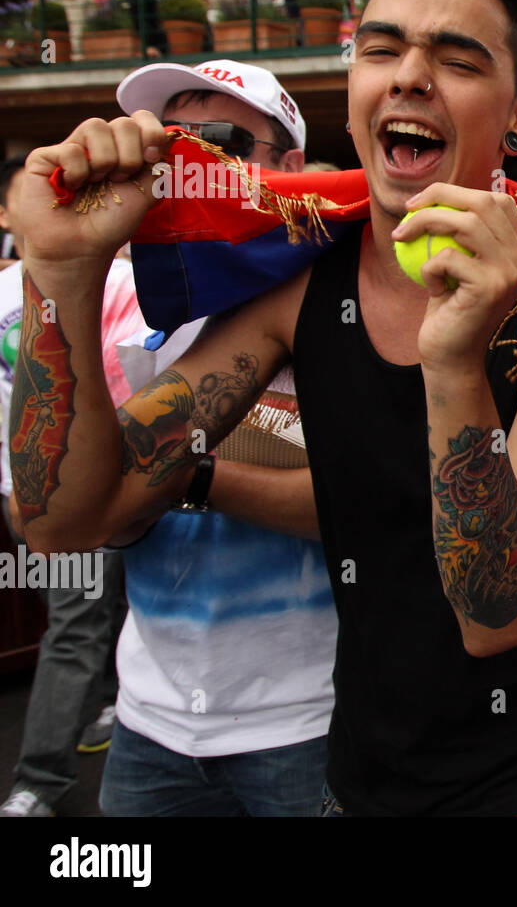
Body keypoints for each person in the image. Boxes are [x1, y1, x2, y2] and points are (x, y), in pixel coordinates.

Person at [12, 0, 517, 816]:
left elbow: (493, 617)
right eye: (381, 49)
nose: (410, 75)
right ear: (353, 95)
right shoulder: (302, 284)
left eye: (456, 59)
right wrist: (60, 274)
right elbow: (65, 521)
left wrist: (452, 355)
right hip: (358, 768)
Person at [90, 59, 337, 817]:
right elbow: (66, 516)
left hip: (303, 724)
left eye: (222, 140)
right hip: (146, 722)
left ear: (289, 169)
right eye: (172, 138)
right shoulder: (112, 293)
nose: (188, 161)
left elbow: (360, 505)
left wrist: (180, 475)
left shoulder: (335, 305)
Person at [0, 158, 141, 818]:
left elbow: (122, 390)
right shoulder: (12, 293)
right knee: (80, 623)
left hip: (119, 486)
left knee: (100, 617)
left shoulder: (117, 282)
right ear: (9, 214)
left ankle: (102, 721)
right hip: (41, 496)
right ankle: (41, 779)